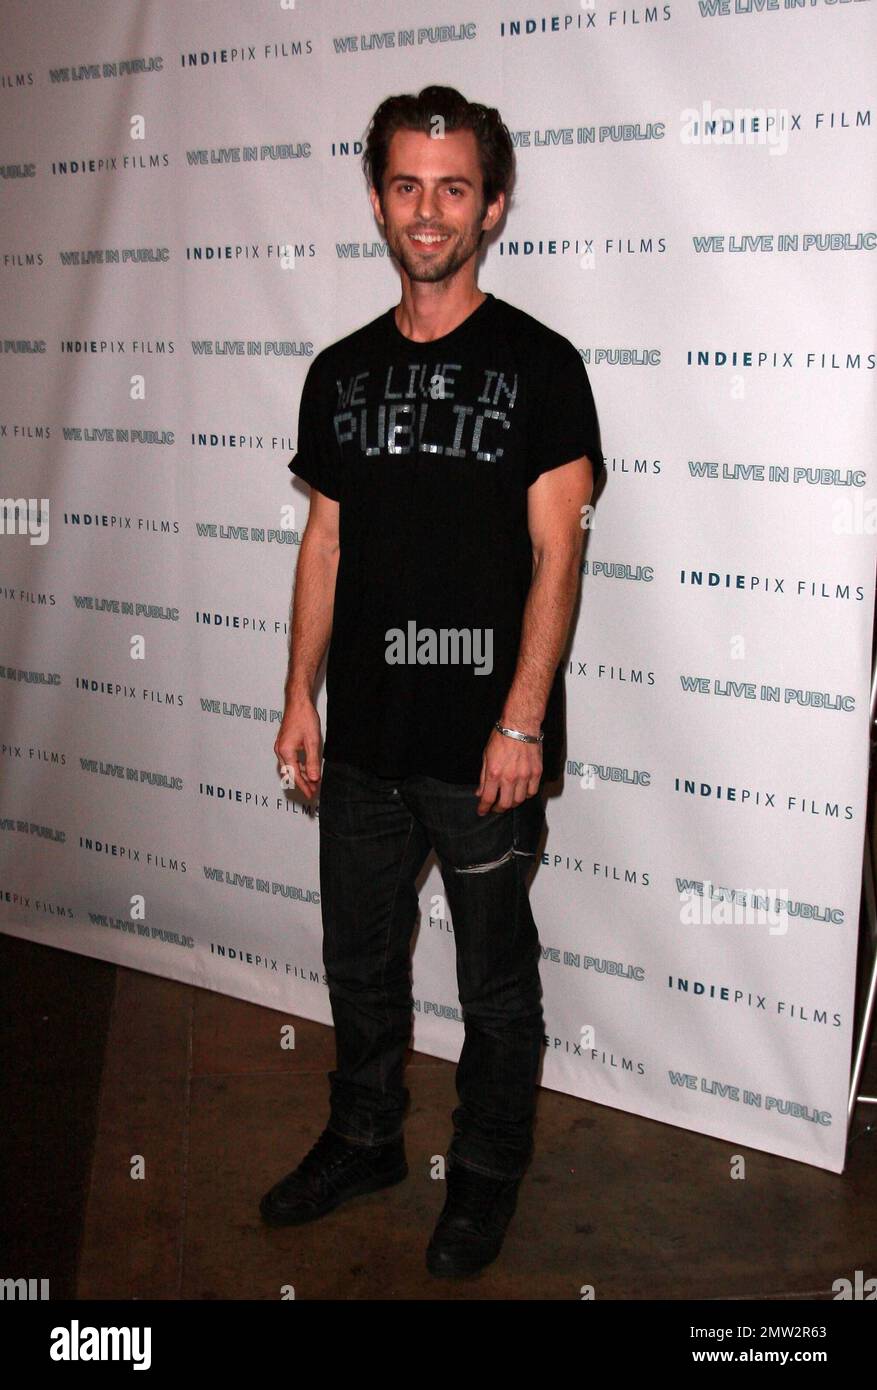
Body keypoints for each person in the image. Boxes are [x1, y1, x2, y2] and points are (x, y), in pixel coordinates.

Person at [261, 85, 604, 1279]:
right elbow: (326, 544)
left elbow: (561, 551)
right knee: (358, 960)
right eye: (406, 184)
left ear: (491, 207)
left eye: (452, 187)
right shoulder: (338, 372)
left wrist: (522, 717)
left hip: (482, 747)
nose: (427, 208)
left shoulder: (541, 366)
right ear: (376, 200)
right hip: (361, 737)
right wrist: (298, 695)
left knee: (493, 983)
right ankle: (362, 1138)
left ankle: (489, 1173)